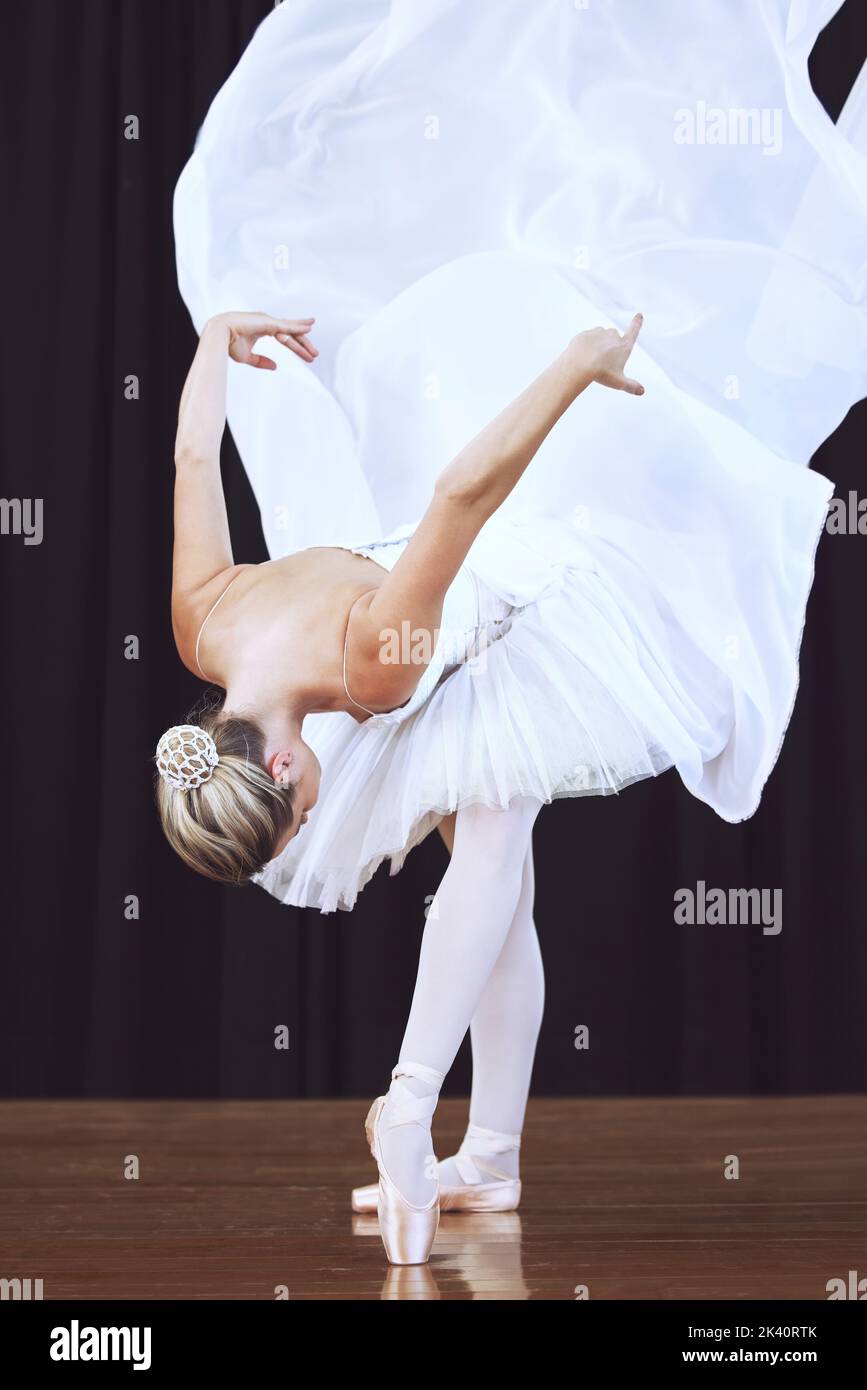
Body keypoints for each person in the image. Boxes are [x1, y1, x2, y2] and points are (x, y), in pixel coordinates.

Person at [160, 0, 867, 1264]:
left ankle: (409, 1099)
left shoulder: (372, 670)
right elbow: (191, 446)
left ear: (273, 764)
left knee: (486, 845)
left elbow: (464, 497)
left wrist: (573, 364)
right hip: (464, 616)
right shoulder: (202, 627)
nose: (322, 812)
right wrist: (217, 337)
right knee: (499, 868)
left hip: (516, 606)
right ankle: (485, 1149)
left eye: (301, 808)